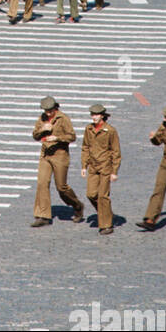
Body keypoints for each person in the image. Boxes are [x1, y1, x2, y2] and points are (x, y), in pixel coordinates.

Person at [30, 95, 84, 227]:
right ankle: (43, 216)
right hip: (45, 154)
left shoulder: (63, 118)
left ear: (55, 108)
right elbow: (35, 136)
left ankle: (77, 205)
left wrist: (57, 137)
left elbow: (72, 137)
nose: (47, 113)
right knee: (42, 183)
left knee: (61, 187)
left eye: (50, 110)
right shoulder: (42, 118)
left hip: (60, 155)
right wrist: (42, 129)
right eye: (45, 110)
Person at [80, 103, 121, 234]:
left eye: (96, 115)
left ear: (102, 115)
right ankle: (107, 213)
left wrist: (114, 171)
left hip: (105, 167)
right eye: (92, 115)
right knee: (91, 194)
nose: (94, 117)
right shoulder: (89, 129)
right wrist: (83, 166)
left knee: (103, 196)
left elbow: (116, 152)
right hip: (93, 166)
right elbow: (85, 147)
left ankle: (106, 225)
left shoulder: (110, 131)